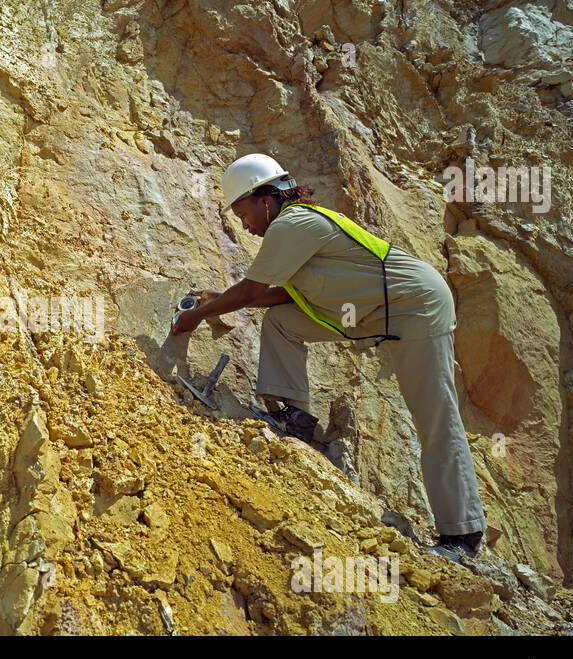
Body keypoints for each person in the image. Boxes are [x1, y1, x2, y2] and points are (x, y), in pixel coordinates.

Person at [170, 153, 487, 561]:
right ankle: (295, 417)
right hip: (376, 312)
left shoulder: (293, 223)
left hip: (415, 307)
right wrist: (216, 300)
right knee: (283, 321)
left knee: (434, 417)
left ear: (264, 199)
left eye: (242, 211)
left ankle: (462, 535)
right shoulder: (292, 226)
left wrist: (195, 315)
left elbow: (250, 292)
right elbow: (284, 295)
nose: (243, 224)